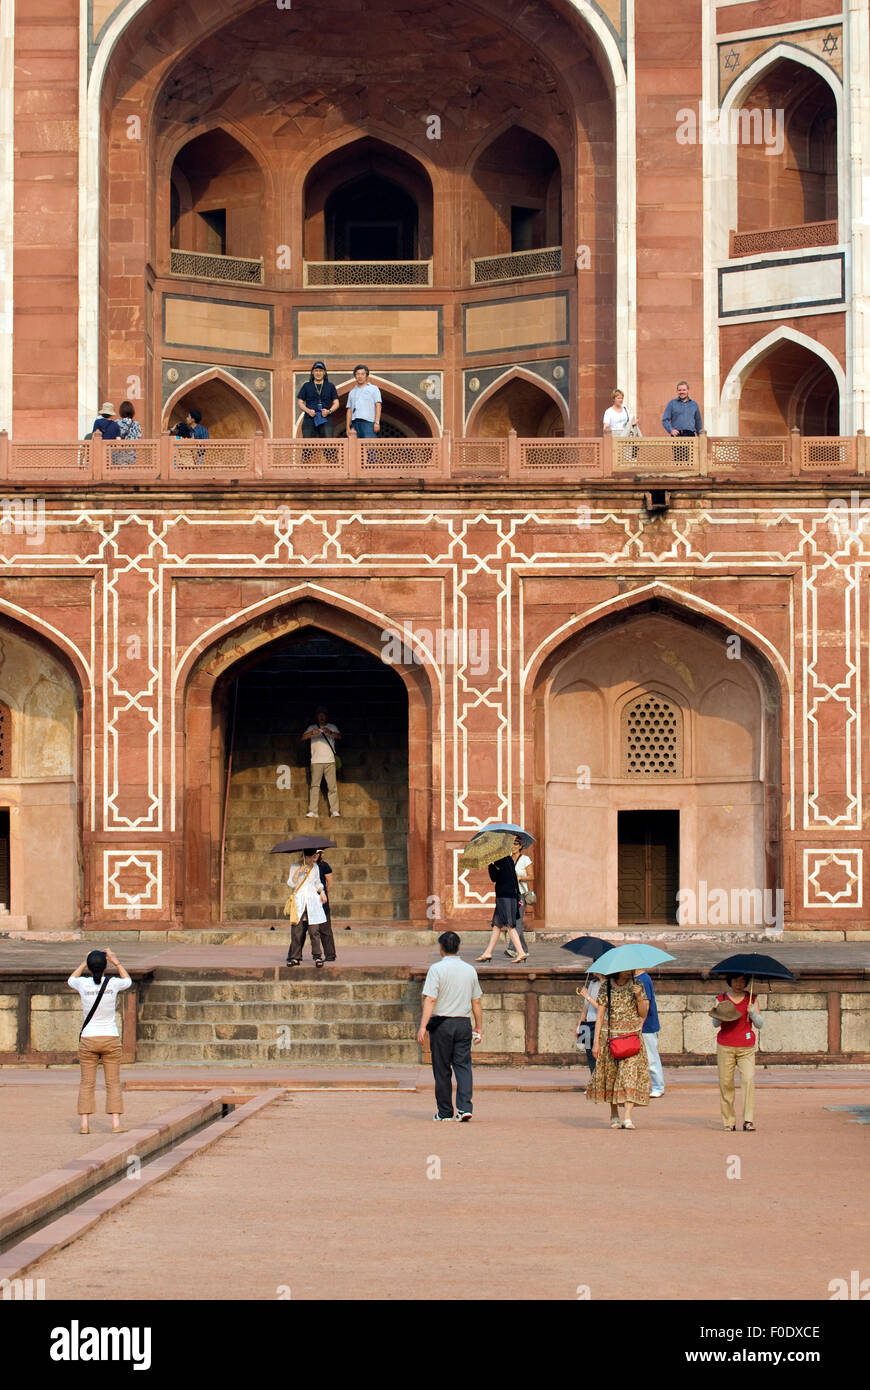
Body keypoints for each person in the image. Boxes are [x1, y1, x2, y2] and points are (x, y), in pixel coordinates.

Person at [418, 930, 483, 1121]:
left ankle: (445, 1111)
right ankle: (464, 1107)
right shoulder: (469, 969)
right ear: (459, 947)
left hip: (442, 1023)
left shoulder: (436, 969)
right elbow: (476, 1001)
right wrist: (478, 1027)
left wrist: (423, 1026)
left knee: (442, 1068)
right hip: (463, 1023)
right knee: (463, 1066)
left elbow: (430, 999)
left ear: (441, 948)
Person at [67, 949, 131, 1135]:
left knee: (87, 1082)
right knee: (113, 1082)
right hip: (110, 1037)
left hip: (88, 1039)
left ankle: (85, 1124)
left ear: (90, 966)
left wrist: (83, 962)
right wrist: (115, 961)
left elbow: (70, 979)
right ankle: (115, 1123)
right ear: (105, 967)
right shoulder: (114, 983)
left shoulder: (82, 984)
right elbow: (128, 980)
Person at [587, 970, 651, 1128]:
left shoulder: (638, 985)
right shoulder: (606, 986)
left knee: (630, 1075)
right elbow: (600, 1015)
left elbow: (643, 1013)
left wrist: (639, 997)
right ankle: (614, 1113)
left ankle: (628, 1116)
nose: (630, 972)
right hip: (611, 1038)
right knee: (612, 1076)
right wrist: (596, 1043)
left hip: (631, 1037)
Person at [712, 973, 763, 1131]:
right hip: (725, 1045)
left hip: (746, 1046)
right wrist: (718, 1013)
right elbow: (715, 1023)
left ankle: (748, 1120)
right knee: (726, 1083)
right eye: (735, 981)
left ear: (746, 982)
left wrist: (752, 1013)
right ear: (730, 982)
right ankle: (729, 1121)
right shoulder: (721, 998)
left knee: (748, 1080)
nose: (738, 984)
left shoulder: (751, 999)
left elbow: (760, 1024)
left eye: (741, 981)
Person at [475, 843, 528, 963]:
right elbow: (514, 879)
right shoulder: (508, 858)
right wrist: (518, 896)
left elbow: (494, 878)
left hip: (503, 896)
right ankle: (488, 952)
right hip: (510, 896)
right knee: (497, 925)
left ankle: (521, 952)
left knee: (509, 925)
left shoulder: (497, 860)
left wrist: (490, 865)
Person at [285, 851, 329, 967]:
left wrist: (322, 892)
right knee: (297, 931)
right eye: (309, 857)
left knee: (314, 931)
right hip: (299, 901)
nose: (311, 859)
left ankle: (317, 956)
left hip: (312, 901)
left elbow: (317, 883)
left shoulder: (315, 867)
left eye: (313, 857)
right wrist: (298, 872)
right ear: (304, 856)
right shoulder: (295, 866)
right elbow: (290, 883)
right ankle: (295, 957)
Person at [302, 708, 341, 817]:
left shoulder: (332, 726)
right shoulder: (312, 727)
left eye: (323, 715)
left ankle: (334, 811)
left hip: (330, 761)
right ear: (317, 717)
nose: (322, 717)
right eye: (320, 715)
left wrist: (331, 732)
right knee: (314, 786)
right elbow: (303, 737)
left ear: (326, 716)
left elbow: (339, 736)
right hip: (316, 761)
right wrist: (311, 733)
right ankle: (313, 811)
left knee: (332, 787)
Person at [635, 968, 665, 1097]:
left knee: (651, 1057)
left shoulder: (644, 979)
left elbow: (646, 1004)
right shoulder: (634, 979)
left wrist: (641, 1024)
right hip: (638, 1024)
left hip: (646, 1026)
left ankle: (658, 1086)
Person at [505, 838, 532, 959]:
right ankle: (524, 950)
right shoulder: (508, 859)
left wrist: (520, 878)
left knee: (518, 922)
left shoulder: (525, 859)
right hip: (510, 894)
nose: (513, 846)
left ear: (521, 846)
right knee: (512, 921)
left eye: (516, 844)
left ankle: (512, 948)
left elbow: (532, 876)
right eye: (512, 843)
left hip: (520, 894)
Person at [298, 362, 340, 438]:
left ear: (324, 372)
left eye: (320, 371)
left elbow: (336, 403)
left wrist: (329, 411)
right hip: (310, 417)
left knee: (328, 444)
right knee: (308, 444)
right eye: (316, 370)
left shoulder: (330, 386)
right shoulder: (307, 385)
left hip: (325, 417)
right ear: (313, 372)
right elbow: (300, 402)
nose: (318, 373)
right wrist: (308, 411)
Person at [576, 974, 602, 1073]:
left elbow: (602, 1009)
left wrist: (588, 996)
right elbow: (586, 1006)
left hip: (599, 1023)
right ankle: (593, 1083)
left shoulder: (608, 984)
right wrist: (580, 1022)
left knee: (598, 1057)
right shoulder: (593, 983)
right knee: (589, 1056)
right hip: (588, 1023)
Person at [346, 364, 382, 439]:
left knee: (369, 448)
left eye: (362, 374)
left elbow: (378, 406)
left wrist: (377, 422)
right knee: (354, 448)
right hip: (355, 423)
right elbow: (349, 410)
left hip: (368, 423)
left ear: (366, 376)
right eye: (358, 374)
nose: (360, 376)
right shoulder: (352, 392)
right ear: (355, 376)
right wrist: (347, 428)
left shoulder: (374, 389)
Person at [112, 399, 142, 467]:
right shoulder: (136, 424)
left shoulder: (116, 423)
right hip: (131, 454)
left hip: (118, 454)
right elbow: (139, 437)